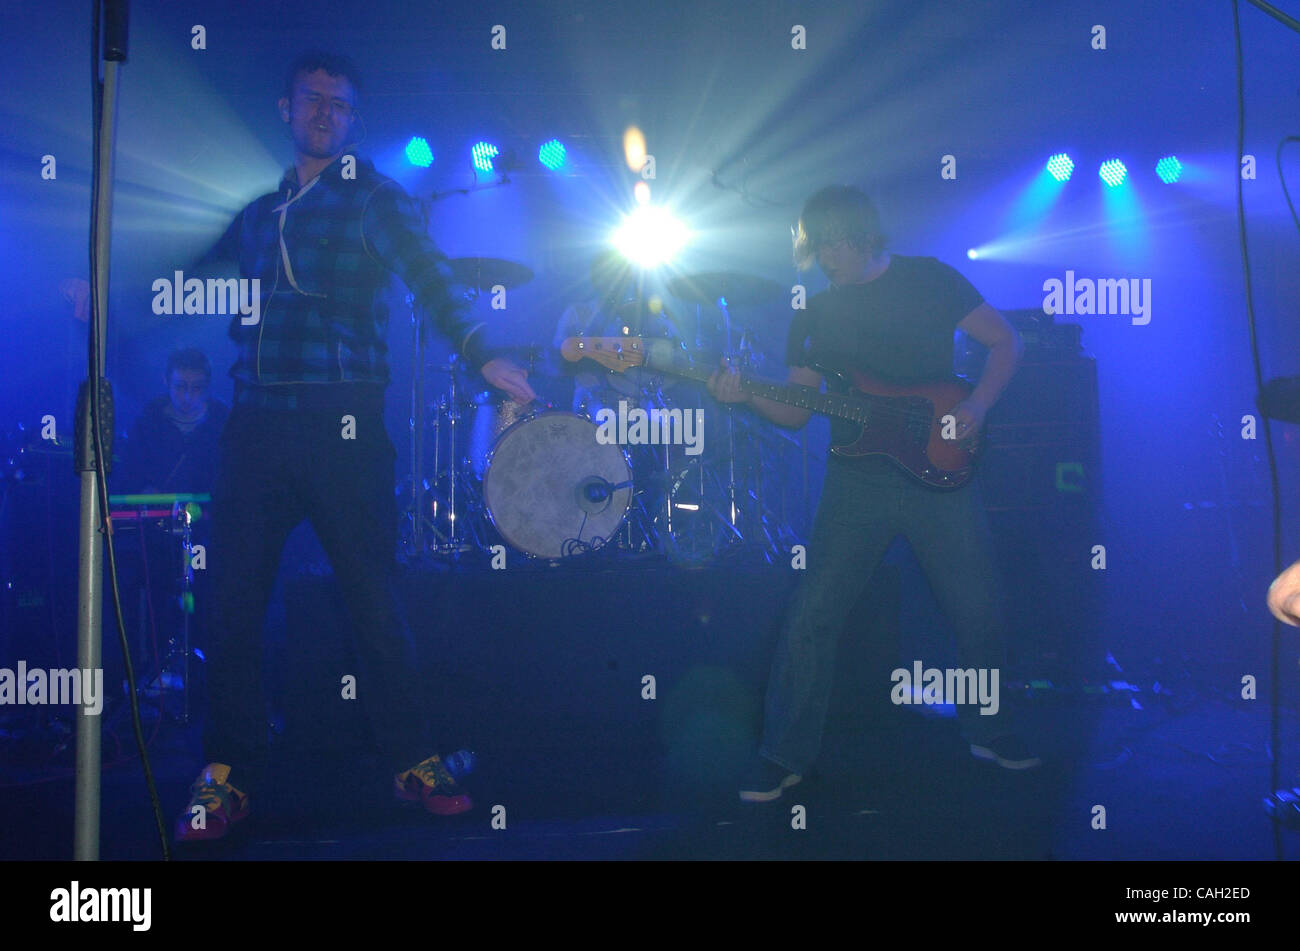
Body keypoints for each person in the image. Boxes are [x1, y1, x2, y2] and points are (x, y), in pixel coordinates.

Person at [176, 51, 535, 842]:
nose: (326, 114)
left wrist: (480, 351)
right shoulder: (259, 213)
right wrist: (113, 290)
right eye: (314, 100)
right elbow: (188, 277)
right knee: (231, 607)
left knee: (374, 600)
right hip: (257, 424)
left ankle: (411, 757)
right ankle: (228, 773)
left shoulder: (375, 198)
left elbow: (431, 273)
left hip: (344, 426)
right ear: (286, 107)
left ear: (351, 121)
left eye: (341, 105)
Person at [707, 184, 1039, 804]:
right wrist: (745, 393)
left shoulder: (932, 280)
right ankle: (782, 755)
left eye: (836, 243)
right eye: (817, 245)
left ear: (863, 236)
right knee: (812, 615)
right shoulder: (814, 312)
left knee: (978, 612)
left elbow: (1005, 341)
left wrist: (978, 403)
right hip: (857, 477)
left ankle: (991, 730)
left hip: (941, 465)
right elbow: (795, 411)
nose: (827, 256)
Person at [118, 348, 228, 494]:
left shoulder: (226, 425)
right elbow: (128, 474)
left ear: (208, 385)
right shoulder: (145, 426)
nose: (188, 396)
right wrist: (143, 489)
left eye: (197, 388)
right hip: (157, 514)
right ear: (166, 382)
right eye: (180, 387)